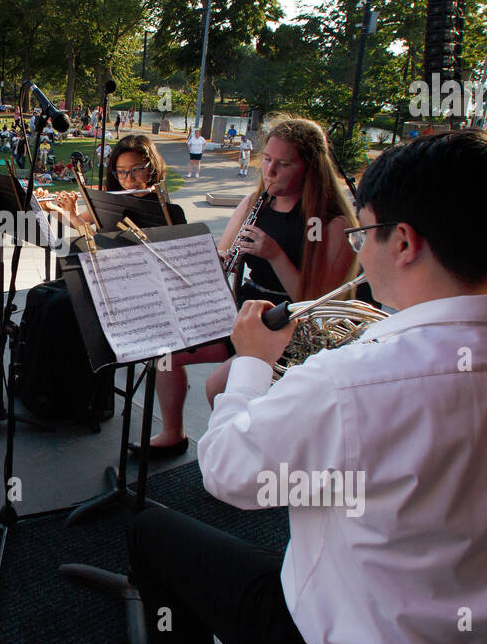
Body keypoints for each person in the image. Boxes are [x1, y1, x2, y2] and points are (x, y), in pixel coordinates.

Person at [128, 129, 487, 644]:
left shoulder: (347, 382)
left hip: (343, 643)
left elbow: (225, 473)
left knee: (152, 534)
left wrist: (253, 361)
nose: (360, 252)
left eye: (364, 236)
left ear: (405, 243)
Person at [144, 117, 357, 456]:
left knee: (219, 386)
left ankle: (241, 458)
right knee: (165, 354)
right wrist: (215, 264)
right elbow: (222, 260)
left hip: (288, 329)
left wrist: (274, 256)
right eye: (267, 160)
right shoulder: (254, 204)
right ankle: (173, 433)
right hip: (243, 317)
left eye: (283, 164)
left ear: (310, 168)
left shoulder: (330, 223)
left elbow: (315, 301)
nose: (269, 172)